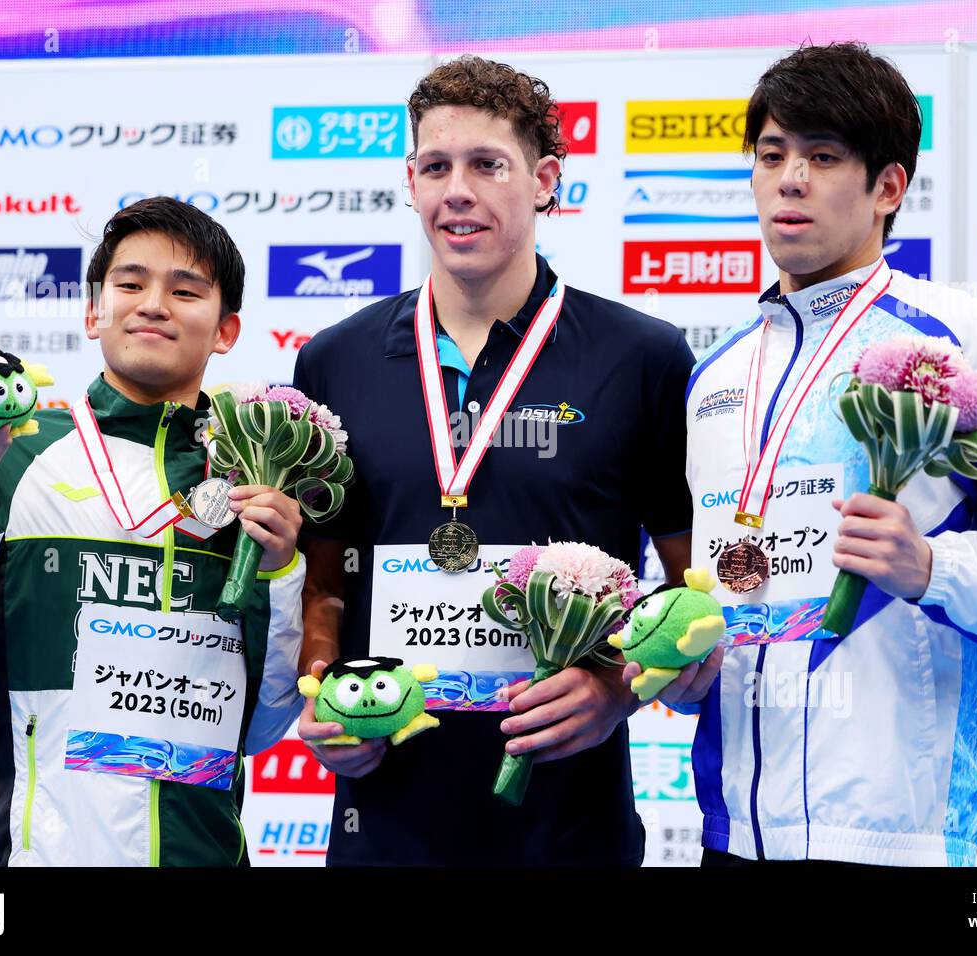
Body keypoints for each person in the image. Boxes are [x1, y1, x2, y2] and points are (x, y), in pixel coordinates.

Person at [673, 42, 977, 866]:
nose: (790, 180)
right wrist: (681, 663)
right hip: (732, 831)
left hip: (895, 837)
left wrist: (932, 569)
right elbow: (711, 586)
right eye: (771, 155)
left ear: (888, 187)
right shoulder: (716, 374)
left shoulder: (964, 341)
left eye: (822, 157)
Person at [291, 54, 698, 866]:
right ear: (411, 182)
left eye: (488, 164)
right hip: (387, 825)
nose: (457, 191)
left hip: (569, 826)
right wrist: (322, 693)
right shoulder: (334, 362)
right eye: (435, 166)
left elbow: (693, 592)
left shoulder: (641, 358)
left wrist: (617, 685)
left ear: (544, 181)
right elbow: (323, 582)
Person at [0, 197, 307, 866]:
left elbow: (260, 727)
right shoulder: (11, 456)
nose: (153, 305)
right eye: (131, 284)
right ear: (93, 312)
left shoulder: (250, 477)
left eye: (185, 291)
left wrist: (281, 571)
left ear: (226, 330)